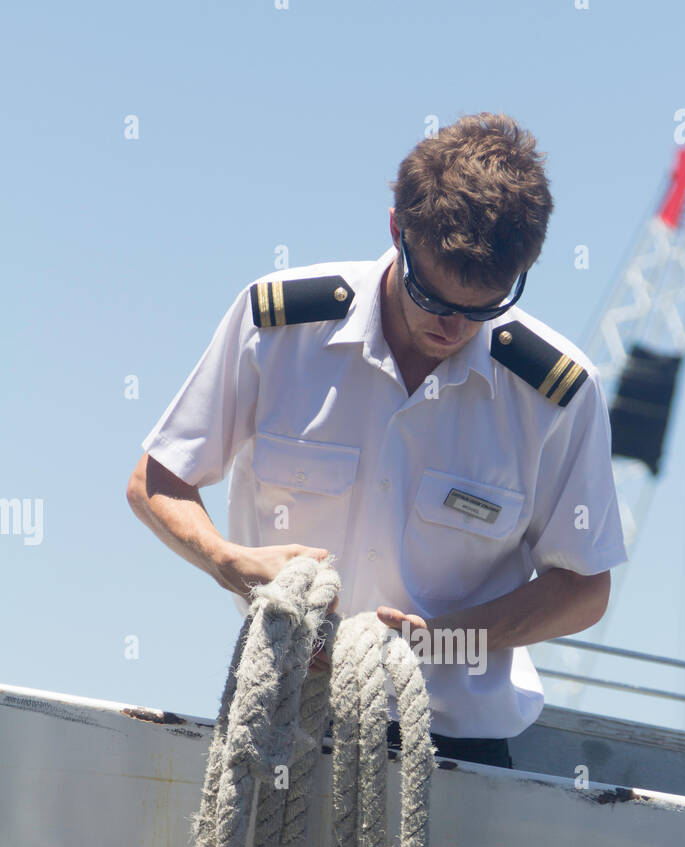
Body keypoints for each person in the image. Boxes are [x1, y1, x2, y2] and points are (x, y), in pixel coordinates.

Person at [126, 112, 628, 770]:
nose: (451, 328)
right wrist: (226, 559)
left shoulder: (556, 395)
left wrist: (440, 644)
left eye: (480, 309)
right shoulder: (276, 326)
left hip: (455, 753)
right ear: (397, 230)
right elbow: (157, 481)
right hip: (278, 715)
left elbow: (583, 588)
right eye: (431, 296)